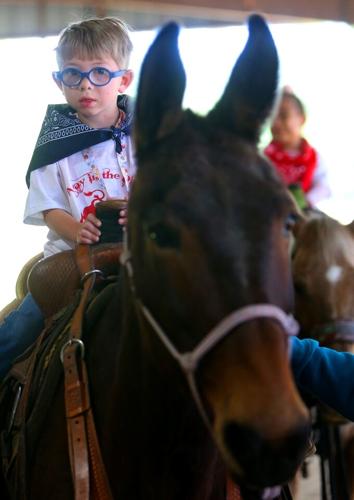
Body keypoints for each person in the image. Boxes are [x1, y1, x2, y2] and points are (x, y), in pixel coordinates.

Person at [0, 16, 135, 378]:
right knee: (17, 333)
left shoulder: (147, 136)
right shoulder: (55, 145)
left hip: (138, 253)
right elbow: (48, 208)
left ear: (124, 79)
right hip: (72, 257)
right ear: (59, 82)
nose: (86, 85)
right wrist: (76, 230)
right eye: (73, 74)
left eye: (100, 73)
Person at [264, 88, 331, 209]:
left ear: (302, 118)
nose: (276, 123)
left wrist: (307, 201)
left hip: (303, 216)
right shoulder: (263, 158)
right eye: (272, 116)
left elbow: (324, 187)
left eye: (283, 116)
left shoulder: (314, 158)